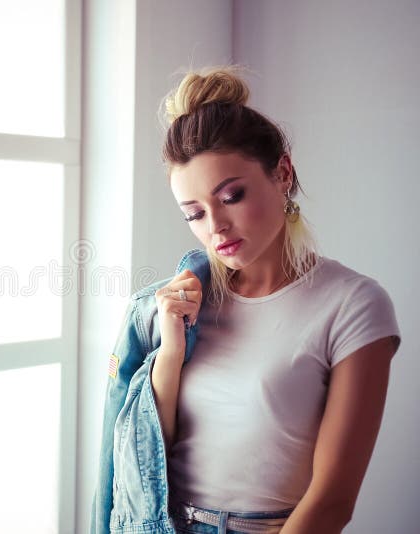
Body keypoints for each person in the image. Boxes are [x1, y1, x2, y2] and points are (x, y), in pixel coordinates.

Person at [92, 66, 401, 534]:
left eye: (231, 196)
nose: (214, 226)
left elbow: (333, 500)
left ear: (282, 173)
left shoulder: (353, 305)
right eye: (194, 213)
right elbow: (148, 455)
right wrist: (172, 353)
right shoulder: (179, 305)